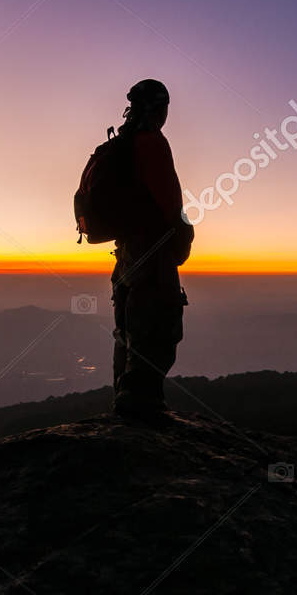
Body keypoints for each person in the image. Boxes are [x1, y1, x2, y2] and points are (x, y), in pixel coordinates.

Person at [111, 79, 194, 422]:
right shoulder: (152, 143)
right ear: (160, 108)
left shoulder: (123, 143)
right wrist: (183, 234)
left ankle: (125, 398)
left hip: (125, 254)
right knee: (159, 324)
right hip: (152, 253)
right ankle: (141, 402)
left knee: (128, 328)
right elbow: (169, 201)